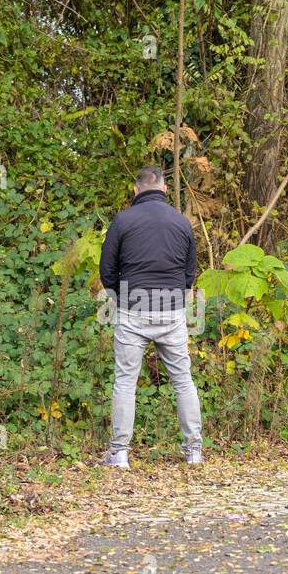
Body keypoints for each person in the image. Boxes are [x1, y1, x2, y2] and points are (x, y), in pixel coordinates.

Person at [98, 165, 203, 468]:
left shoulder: (122, 220)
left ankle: (119, 454)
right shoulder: (182, 222)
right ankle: (194, 451)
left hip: (133, 309)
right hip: (171, 310)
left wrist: (123, 297)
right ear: (165, 189)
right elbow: (189, 272)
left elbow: (107, 270)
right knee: (183, 380)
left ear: (136, 189)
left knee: (125, 381)